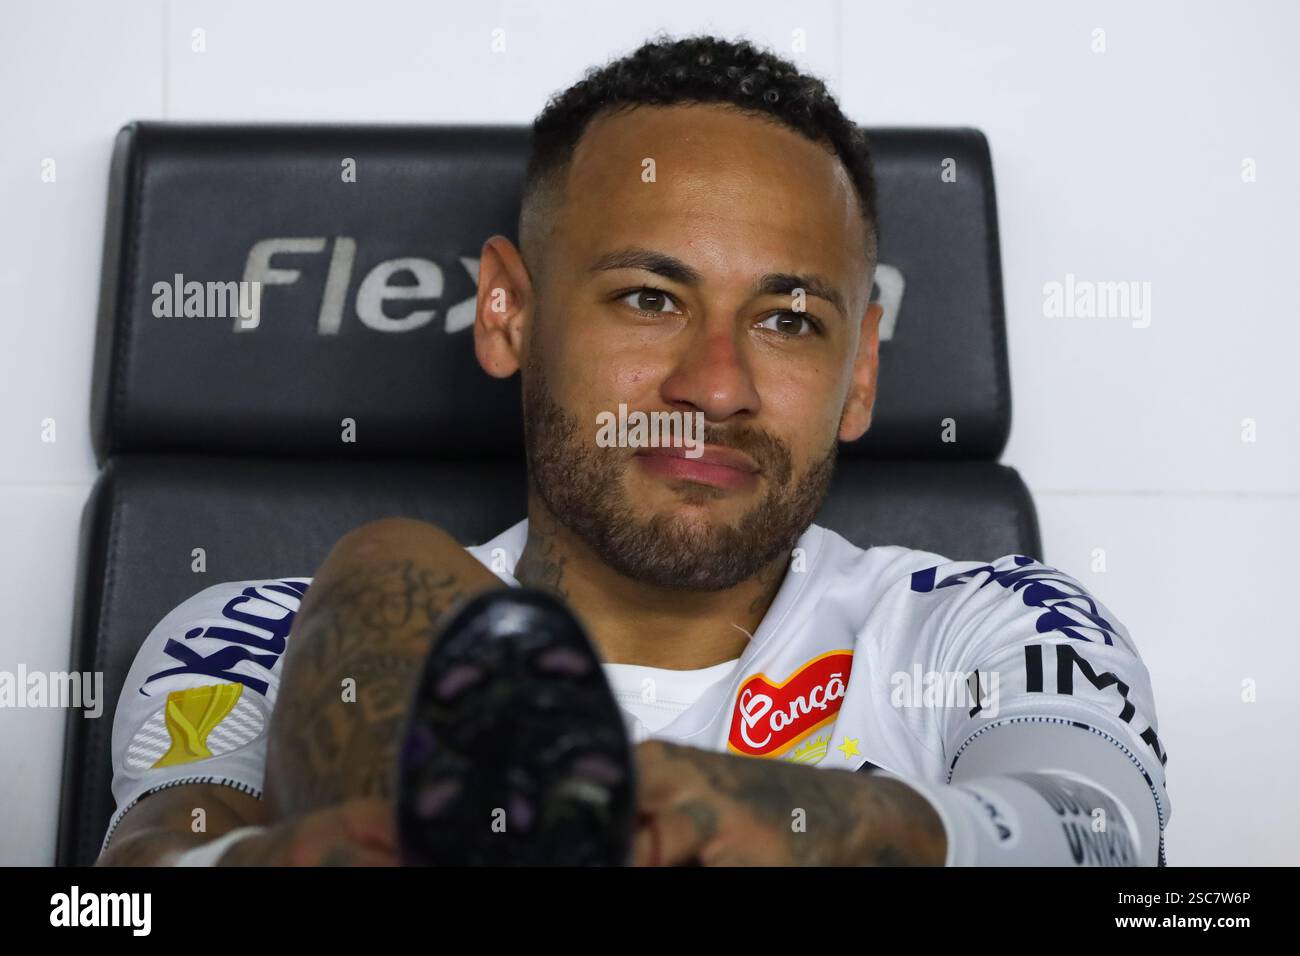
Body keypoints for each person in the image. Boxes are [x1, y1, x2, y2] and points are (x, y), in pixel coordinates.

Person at [96, 33, 1169, 867]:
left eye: (788, 318)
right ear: (509, 311)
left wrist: (839, 823)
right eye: (649, 298)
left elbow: (1105, 839)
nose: (714, 386)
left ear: (865, 372)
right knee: (385, 572)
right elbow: (124, 887)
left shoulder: (985, 625)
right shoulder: (257, 629)